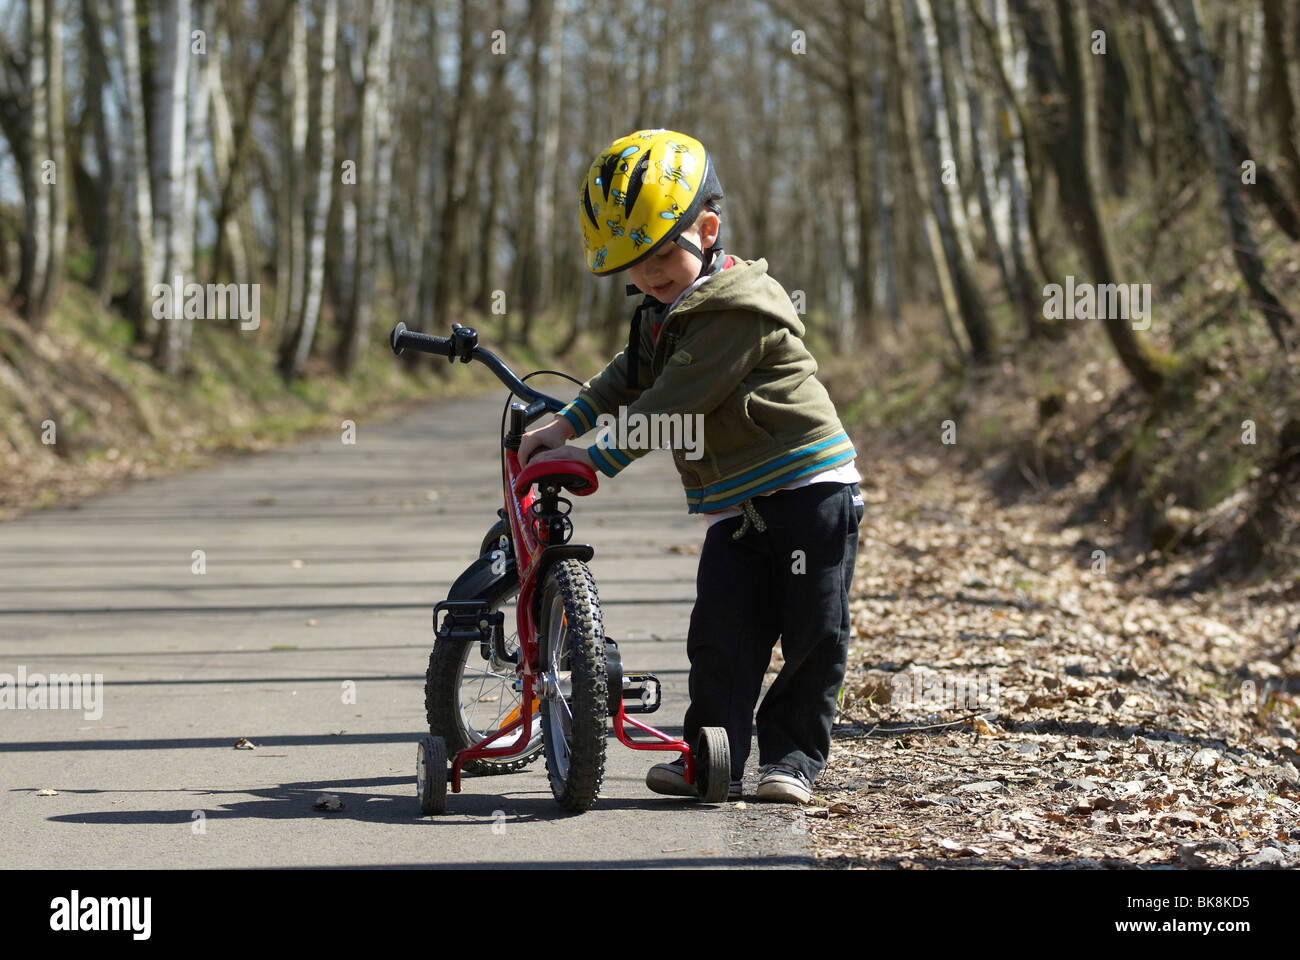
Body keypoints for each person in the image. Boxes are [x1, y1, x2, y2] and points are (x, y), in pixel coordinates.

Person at [517, 129, 863, 804]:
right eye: (634, 268)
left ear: (707, 228)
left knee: (812, 633)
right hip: (739, 504)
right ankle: (715, 757)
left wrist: (597, 458)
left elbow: (671, 401)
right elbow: (630, 374)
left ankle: (790, 760)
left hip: (809, 490)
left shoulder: (736, 308)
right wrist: (569, 420)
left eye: (659, 260)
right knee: (721, 637)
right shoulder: (663, 309)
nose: (648, 278)